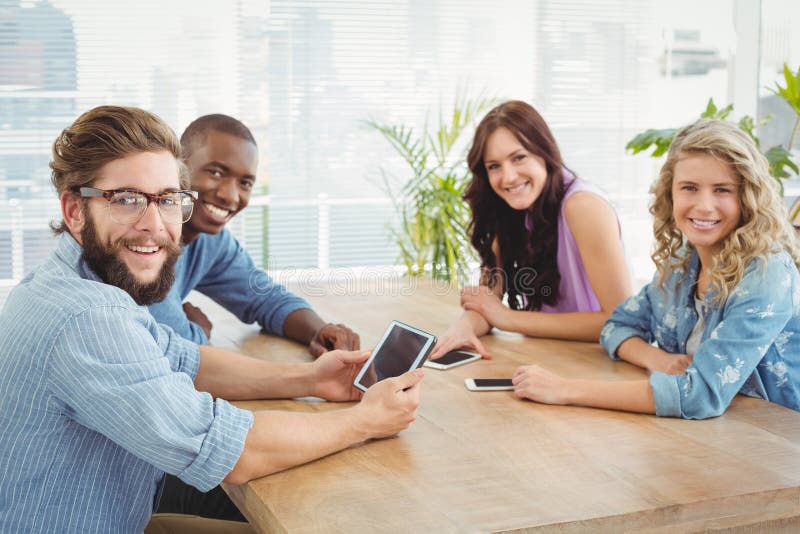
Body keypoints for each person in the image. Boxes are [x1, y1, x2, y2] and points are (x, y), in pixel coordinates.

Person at [0, 105, 423, 533]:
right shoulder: (88, 318)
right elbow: (233, 453)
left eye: (167, 200)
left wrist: (311, 380)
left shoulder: (72, 283)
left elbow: (183, 358)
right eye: (126, 200)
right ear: (74, 211)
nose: (154, 224)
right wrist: (365, 421)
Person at [512, 119, 800, 419]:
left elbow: (700, 394)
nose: (703, 205)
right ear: (670, 193)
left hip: (774, 443)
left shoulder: (767, 274)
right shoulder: (682, 261)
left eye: (722, 190)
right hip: (706, 436)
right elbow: (616, 326)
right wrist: (657, 359)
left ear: (747, 197)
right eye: (689, 187)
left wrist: (565, 390)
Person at [430, 100, 632, 359]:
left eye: (519, 158)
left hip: (599, 362)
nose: (509, 177)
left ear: (545, 153)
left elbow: (621, 320)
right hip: (545, 357)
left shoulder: (583, 206)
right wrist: (463, 328)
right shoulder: (508, 209)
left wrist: (508, 318)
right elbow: (488, 301)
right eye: (494, 166)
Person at [147, 114, 358, 356]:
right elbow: (175, 349)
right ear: (178, 167)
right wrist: (200, 330)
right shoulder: (143, 241)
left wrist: (319, 331)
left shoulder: (212, 242)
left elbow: (265, 297)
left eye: (245, 183)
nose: (231, 196)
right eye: (216, 172)